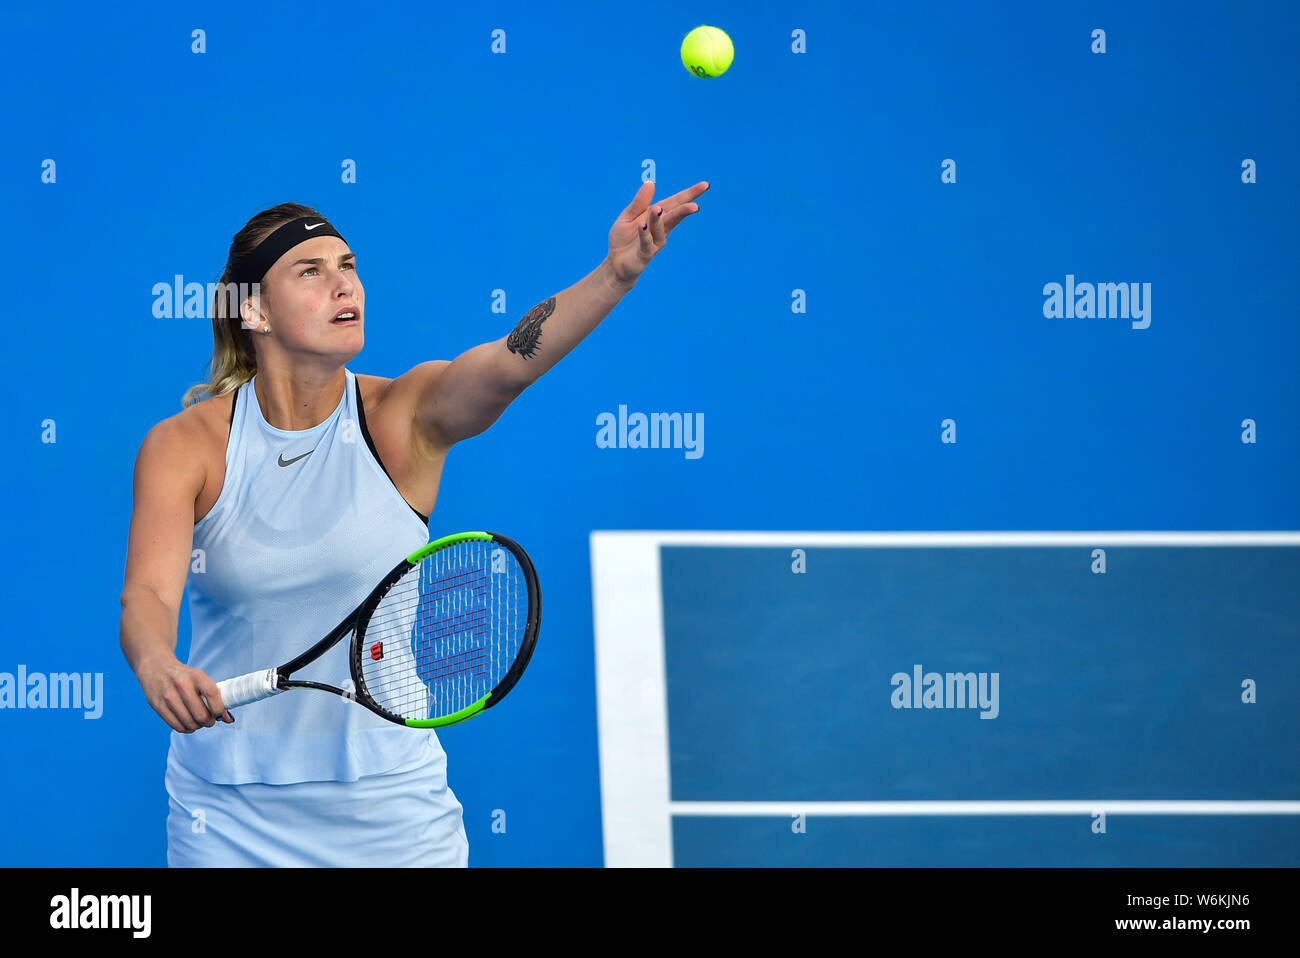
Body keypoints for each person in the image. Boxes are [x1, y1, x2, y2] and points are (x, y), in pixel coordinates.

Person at [118, 180, 708, 866]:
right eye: (312, 272)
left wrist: (615, 274)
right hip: (227, 818)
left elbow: (513, 361)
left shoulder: (405, 417)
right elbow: (148, 595)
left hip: (393, 816)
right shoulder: (185, 446)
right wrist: (157, 662)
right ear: (255, 310)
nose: (346, 287)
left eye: (349, 267)